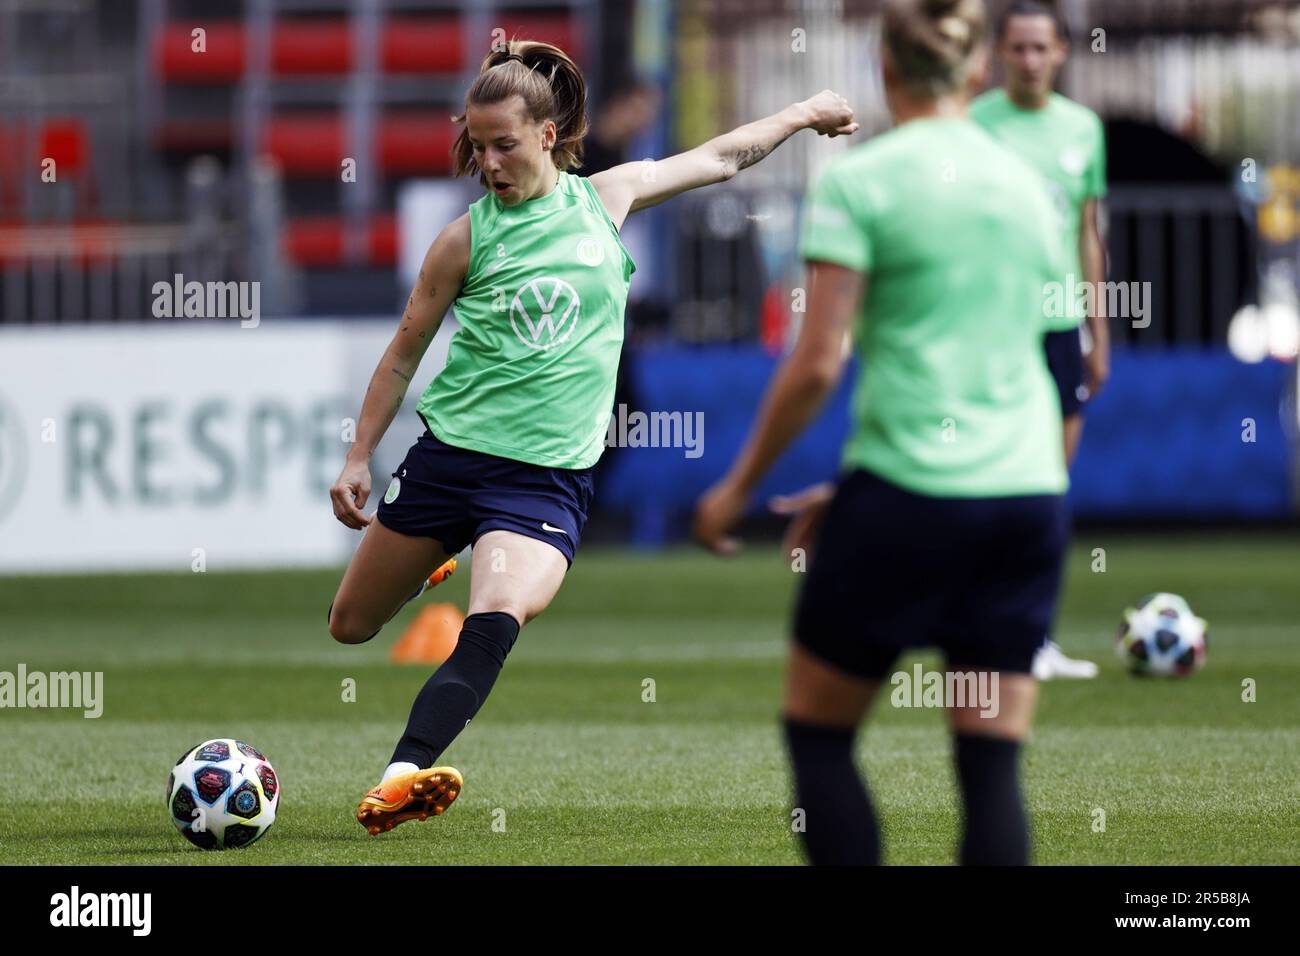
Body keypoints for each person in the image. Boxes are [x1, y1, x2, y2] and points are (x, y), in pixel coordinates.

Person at [326, 38, 857, 835]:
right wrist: (360, 453)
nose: (490, 161)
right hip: (449, 463)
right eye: (478, 146)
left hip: (541, 484)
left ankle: (402, 774)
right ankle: (442, 549)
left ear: (547, 134)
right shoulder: (462, 240)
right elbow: (404, 352)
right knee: (351, 625)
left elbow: (720, 157)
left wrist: (805, 112)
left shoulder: (608, 197)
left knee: (497, 614)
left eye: (504, 143)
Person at [694, 0, 1067, 865]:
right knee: (989, 763)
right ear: (978, 72)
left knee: (821, 737)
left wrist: (738, 487)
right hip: (1023, 498)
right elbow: (1037, 353)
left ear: (885, 72)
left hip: (903, 495)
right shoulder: (1027, 186)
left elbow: (818, 360)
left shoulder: (861, 181)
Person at [970, 0, 1108, 680]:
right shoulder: (972, 126)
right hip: (992, 326)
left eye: (1040, 48)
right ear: (998, 53)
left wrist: (1098, 329)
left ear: (1061, 53)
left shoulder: (1082, 129)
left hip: (1057, 326)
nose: (1028, 60)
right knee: (981, 478)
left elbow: (1087, 232)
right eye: (1017, 48)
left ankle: (1032, 638)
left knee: (1049, 484)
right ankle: (974, 632)